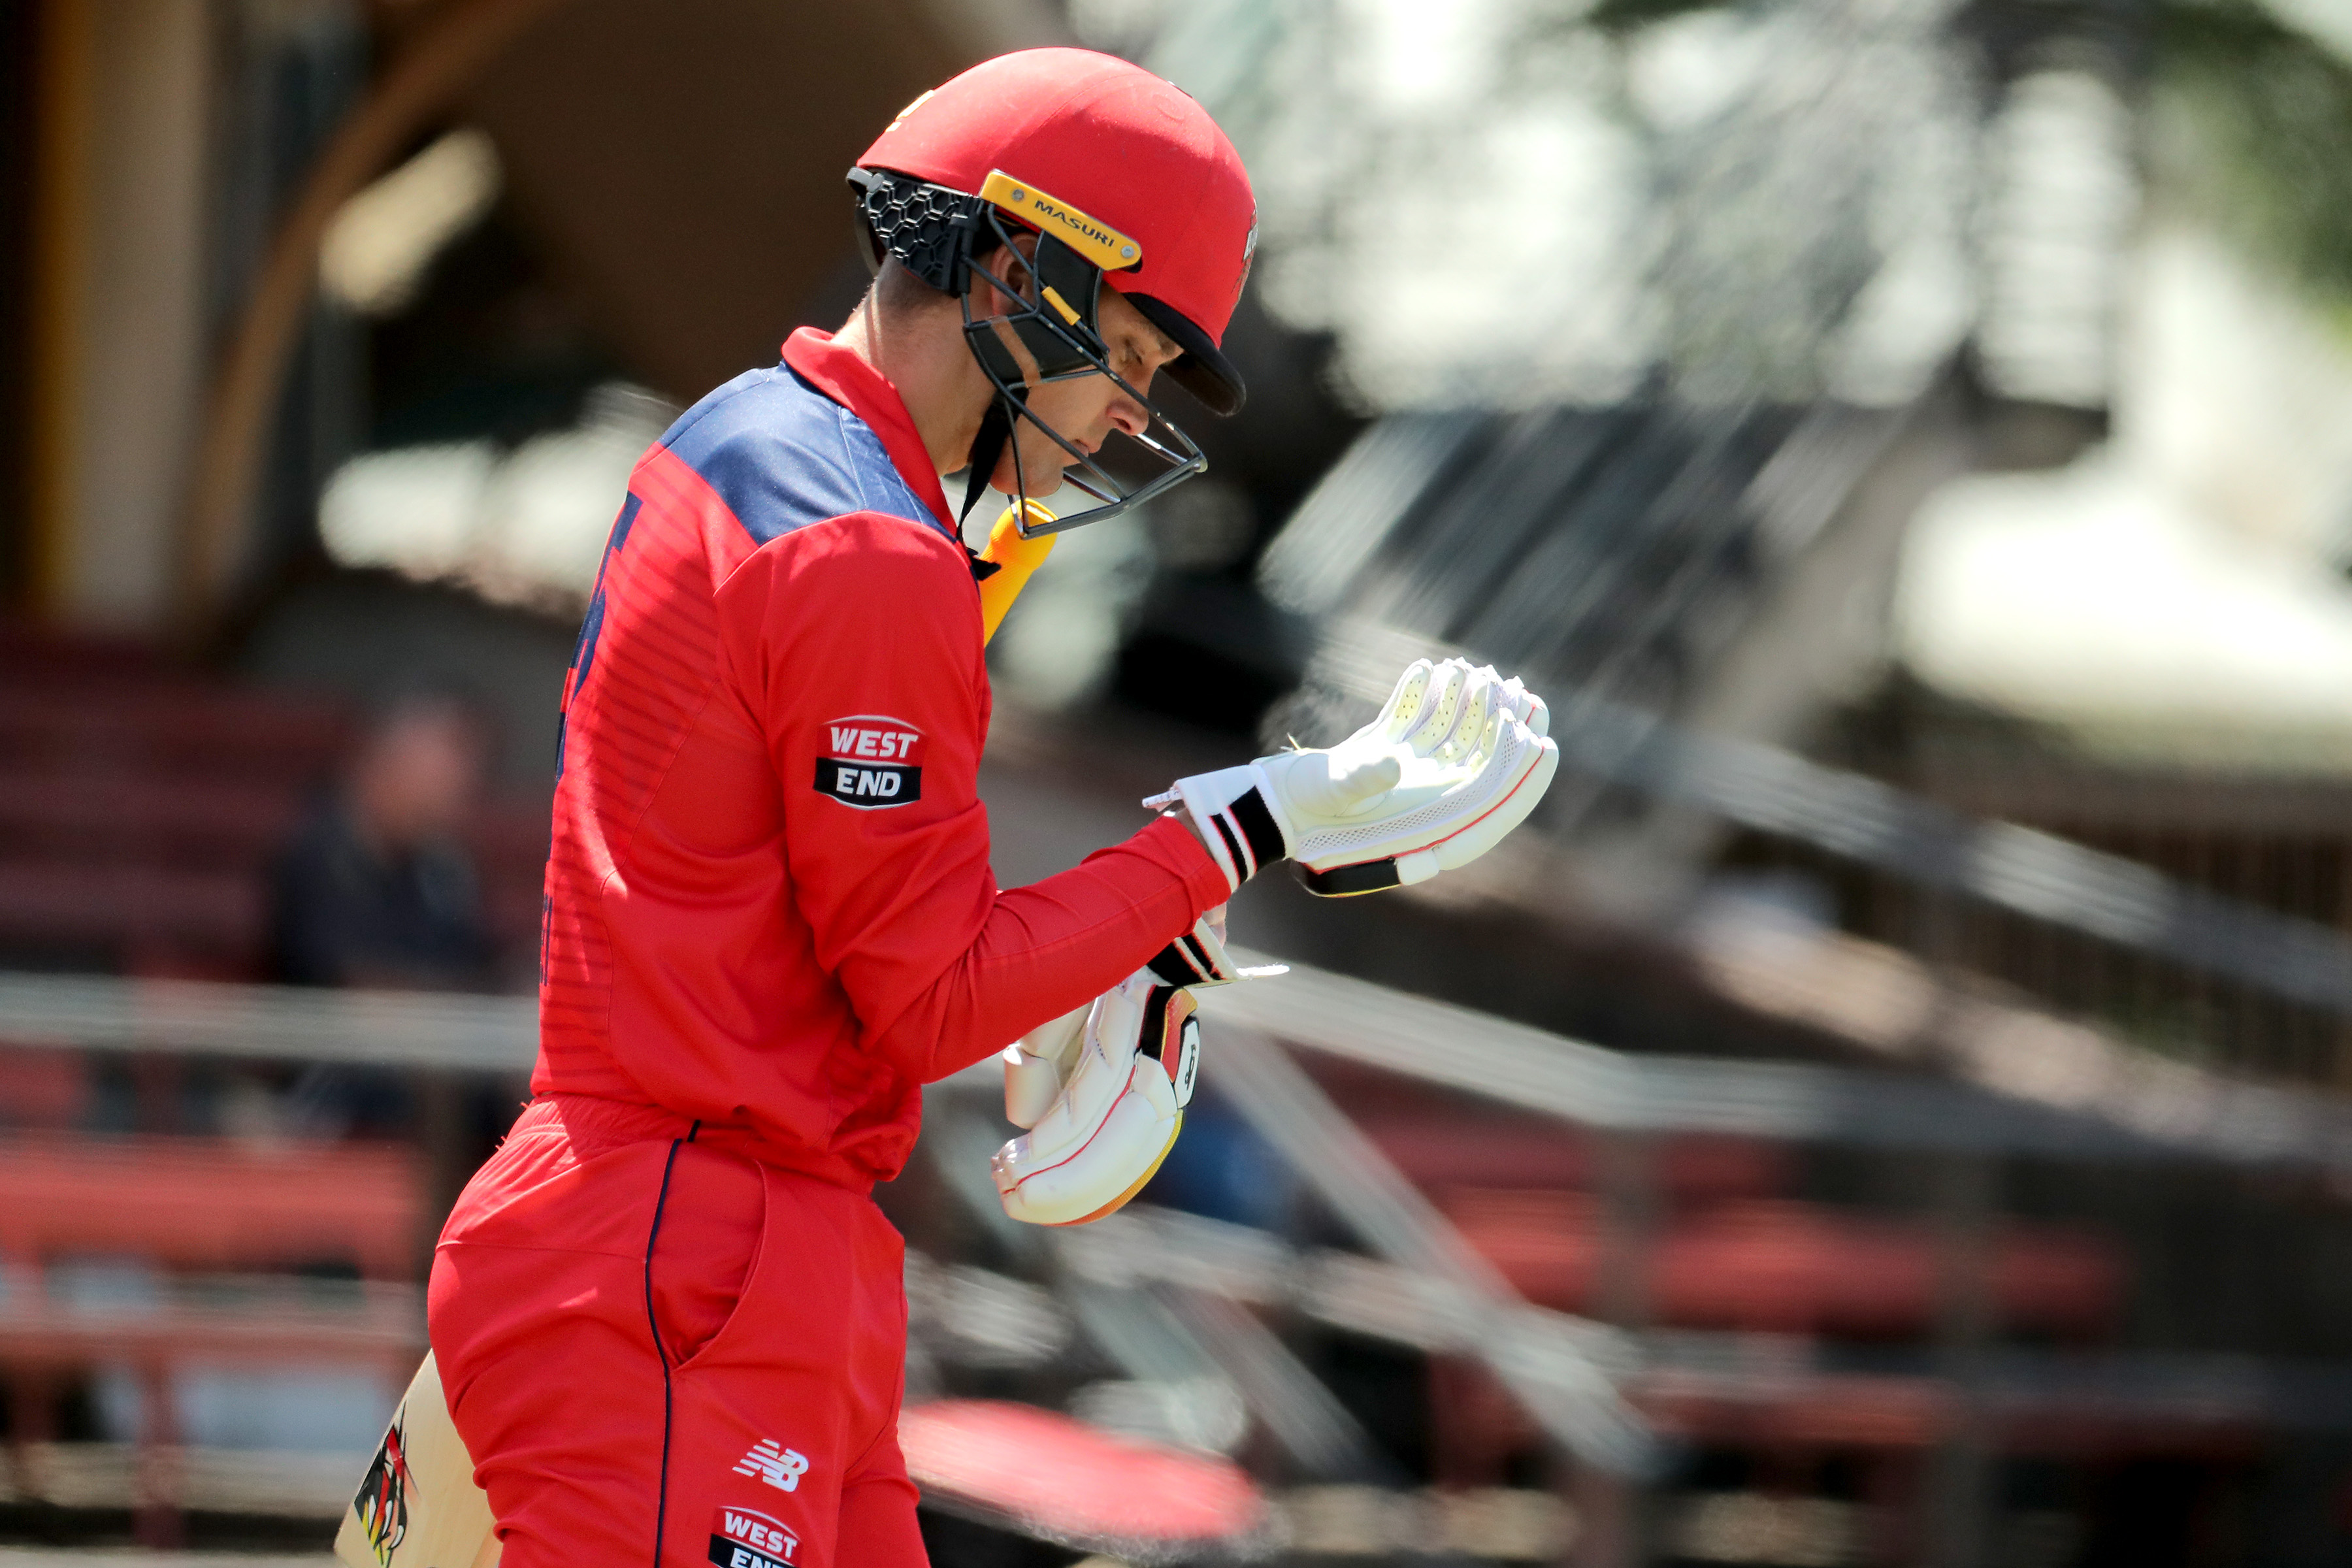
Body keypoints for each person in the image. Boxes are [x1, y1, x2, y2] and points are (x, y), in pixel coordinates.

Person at [424, 48, 1554, 1568]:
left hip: (687, 1240)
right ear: (1022, 263)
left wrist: (1120, 948)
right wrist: (1236, 828)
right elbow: (934, 1000)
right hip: (693, 1260)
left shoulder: (748, 438)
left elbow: (800, 913)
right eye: (1137, 359)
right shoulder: (871, 548)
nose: (1119, 421)